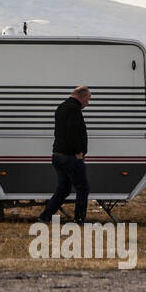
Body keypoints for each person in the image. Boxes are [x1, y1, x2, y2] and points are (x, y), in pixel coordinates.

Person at [39, 85, 92, 224]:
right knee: (83, 187)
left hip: (57, 155)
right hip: (70, 156)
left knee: (63, 189)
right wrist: (78, 152)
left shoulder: (61, 107)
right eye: (88, 99)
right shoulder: (74, 109)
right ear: (81, 96)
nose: (88, 103)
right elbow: (73, 133)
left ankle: (45, 216)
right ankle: (79, 219)